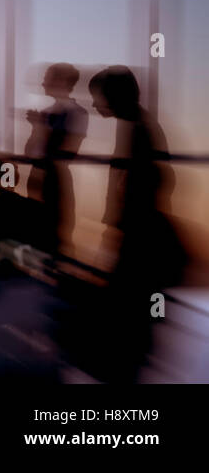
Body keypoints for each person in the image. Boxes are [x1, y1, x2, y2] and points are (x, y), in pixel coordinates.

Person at [89, 66, 185, 382]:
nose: (94, 105)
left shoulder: (136, 129)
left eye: (97, 97)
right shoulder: (136, 125)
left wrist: (119, 226)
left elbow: (141, 183)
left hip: (138, 235)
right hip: (139, 232)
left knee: (127, 318)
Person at [23, 63, 87, 256]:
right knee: (40, 234)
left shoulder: (76, 113)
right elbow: (29, 152)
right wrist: (37, 127)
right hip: (40, 179)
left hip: (54, 181)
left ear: (62, 81)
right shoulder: (48, 113)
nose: (43, 82)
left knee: (54, 235)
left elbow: (68, 153)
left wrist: (39, 128)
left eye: (48, 77)